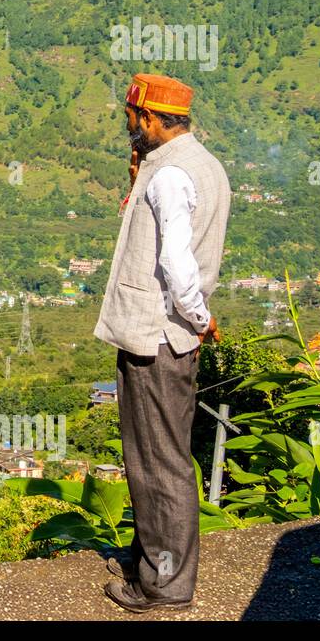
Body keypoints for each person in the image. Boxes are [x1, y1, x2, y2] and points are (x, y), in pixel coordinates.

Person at [94, 72, 231, 613]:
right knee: (160, 454)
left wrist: (197, 316)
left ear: (150, 119)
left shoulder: (170, 175)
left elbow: (176, 261)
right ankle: (153, 557)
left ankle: (164, 585)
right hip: (171, 334)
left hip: (157, 337)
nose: (128, 127)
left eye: (132, 119)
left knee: (157, 461)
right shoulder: (201, 164)